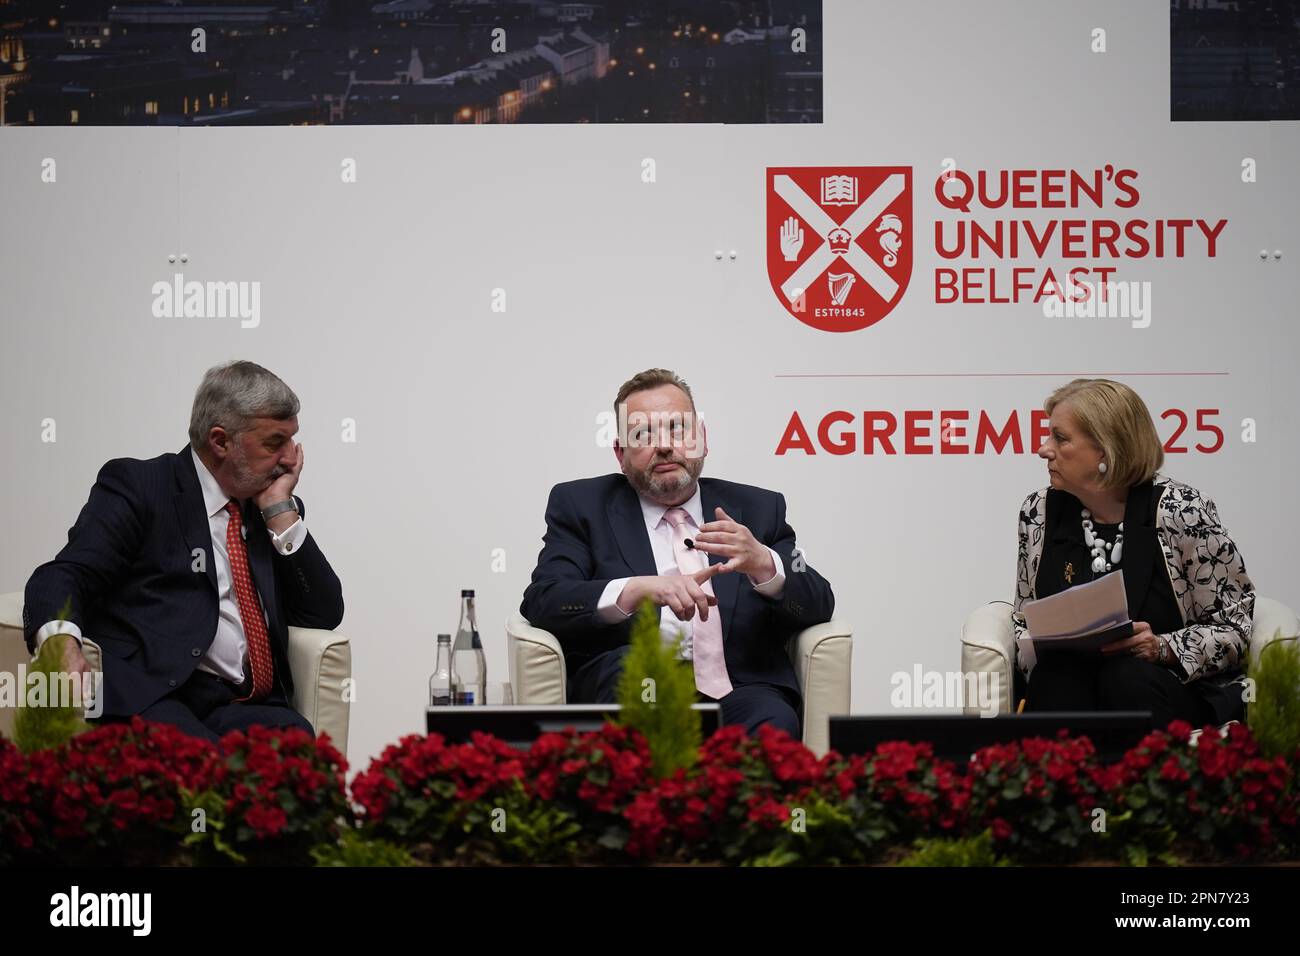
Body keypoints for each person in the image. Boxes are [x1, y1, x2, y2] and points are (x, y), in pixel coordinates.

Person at [23, 360, 344, 743]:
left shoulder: (269, 510)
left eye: (293, 440)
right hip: (154, 692)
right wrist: (59, 640)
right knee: (205, 767)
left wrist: (280, 511)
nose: (292, 458)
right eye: (275, 443)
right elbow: (64, 574)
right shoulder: (142, 487)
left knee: (299, 748)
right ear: (220, 441)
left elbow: (322, 613)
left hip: (237, 704)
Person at [520, 368, 835, 737]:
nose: (665, 445)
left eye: (677, 428)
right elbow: (544, 600)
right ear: (621, 454)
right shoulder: (581, 506)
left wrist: (765, 564)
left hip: (739, 689)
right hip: (638, 679)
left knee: (773, 723)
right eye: (644, 434)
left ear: (701, 439)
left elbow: (818, 604)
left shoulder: (759, 508)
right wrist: (634, 589)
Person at [1013, 378, 1253, 728]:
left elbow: (1235, 628)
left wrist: (1161, 647)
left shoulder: (1181, 511)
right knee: (1055, 680)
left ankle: (1143, 781)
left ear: (1106, 450)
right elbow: (1023, 619)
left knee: (1126, 679)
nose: (1044, 449)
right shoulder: (1038, 512)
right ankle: (1060, 780)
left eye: (1060, 438)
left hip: (1164, 686)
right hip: (1071, 682)